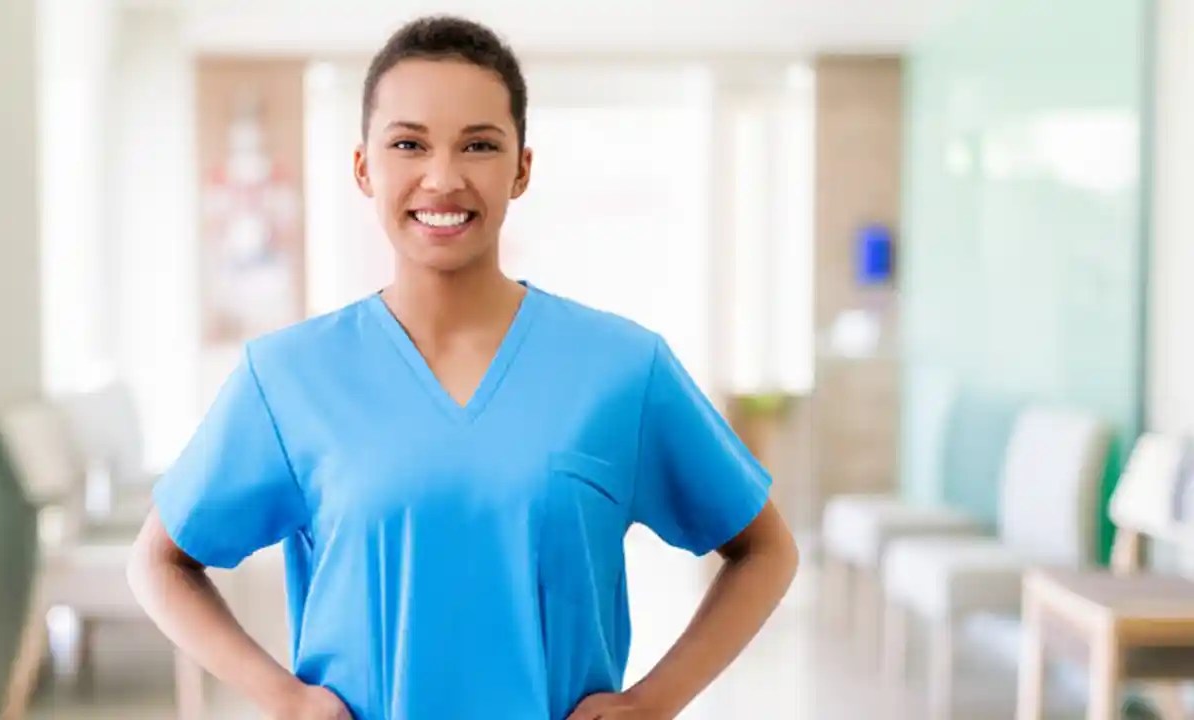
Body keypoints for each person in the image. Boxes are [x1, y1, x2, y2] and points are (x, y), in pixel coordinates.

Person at [128, 15, 798, 720]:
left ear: (521, 169)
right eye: (408, 144)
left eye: (478, 145)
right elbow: (160, 561)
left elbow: (764, 550)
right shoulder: (289, 376)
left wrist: (656, 702)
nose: (442, 178)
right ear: (364, 167)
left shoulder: (623, 370)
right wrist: (285, 701)